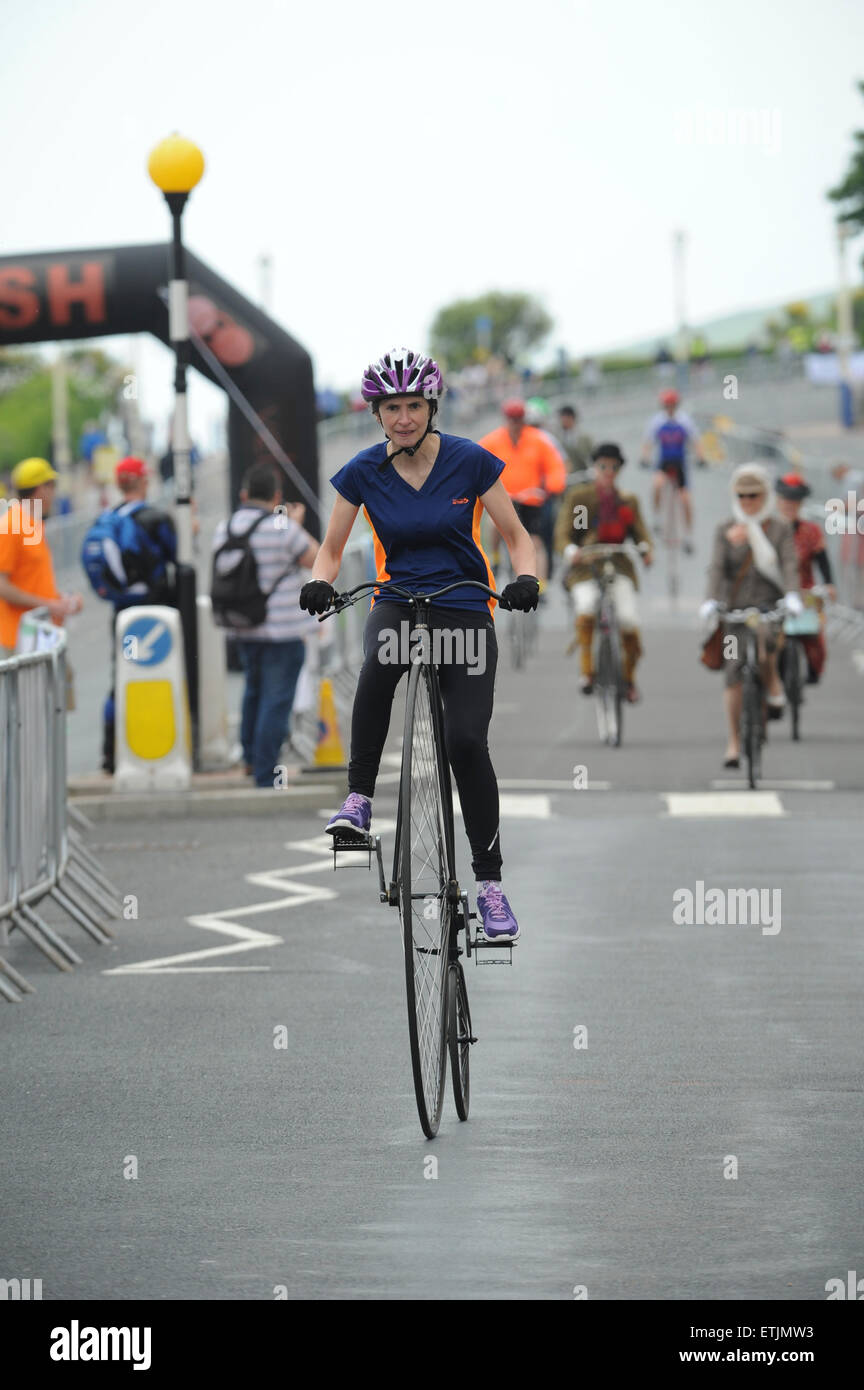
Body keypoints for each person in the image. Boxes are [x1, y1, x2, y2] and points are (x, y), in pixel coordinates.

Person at [299, 348, 539, 942]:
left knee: (464, 741)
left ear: (431, 406)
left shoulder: (471, 461)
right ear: (376, 413)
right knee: (378, 669)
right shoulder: (361, 471)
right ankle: (357, 802)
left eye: (413, 406)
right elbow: (331, 548)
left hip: (464, 604)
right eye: (391, 408)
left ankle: (490, 886)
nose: (403, 417)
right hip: (398, 599)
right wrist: (320, 581)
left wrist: (526, 577)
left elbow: (515, 536)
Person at [213, 463, 318, 787]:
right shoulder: (281, 527)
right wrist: (294, 523)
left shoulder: (226, 526)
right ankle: (266, 771)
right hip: (282, 631)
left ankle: (249, 759)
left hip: (244, 627)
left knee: (253, 693)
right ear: (276, 496)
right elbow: (316, 557)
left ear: (244, 494)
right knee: (277, 699)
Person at [700, 463, 802, 768]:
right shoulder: (726, 529)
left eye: (754, 495)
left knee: (765, 640)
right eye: (741, 496)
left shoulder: (779, 528)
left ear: (765, 495)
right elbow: (717, 568)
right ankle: (734, 741)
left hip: (769, 608)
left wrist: (793, 595)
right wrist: (710, 600)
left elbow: (789, 564)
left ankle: (772, 685)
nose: (747, 502)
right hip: (734, 613)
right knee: (733, 673)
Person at [86, 457, 178, 774]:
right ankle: (156, 744)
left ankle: (111, 752)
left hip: (122, 613)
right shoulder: (155, 518)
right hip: (154, 610)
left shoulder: (106, 518)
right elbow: (175, 556)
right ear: (142, 481)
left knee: (123, 675)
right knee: (160, 673)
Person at [554, 442, 653, 701]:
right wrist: (571, 551)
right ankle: (587, 672)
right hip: (586, 568)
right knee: (586, 606)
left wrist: (646, 550)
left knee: (629, 620)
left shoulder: (628, 500)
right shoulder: (581, 500)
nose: (608, 471)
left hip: (619, 566)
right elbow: (566, 534)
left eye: (613, 467)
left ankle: (629, 679)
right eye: (603, 466)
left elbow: (641, 534)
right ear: (594, 467)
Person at [0, 457, 83, 659]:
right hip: (23, 642)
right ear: (41, 489)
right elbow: (2, 585)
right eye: (52, 486)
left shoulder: (32, 523)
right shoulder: (11, 526)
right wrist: (50, 605)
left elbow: (31, 578)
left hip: (42, 636)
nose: (54, 494)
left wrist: (61, 600)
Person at [478, 398, 566, 587]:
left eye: (519, 419)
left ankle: (541, 584)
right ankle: (496, 558)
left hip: (531, 499)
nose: (515, 423)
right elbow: (474, 459)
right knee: (493, 524)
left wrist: (553, 485)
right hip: (503, 498)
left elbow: (554, 465)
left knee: (536, 542)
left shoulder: (537, 439)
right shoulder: (493, 440)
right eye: (512, 419)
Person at [774, 472, 836, 683]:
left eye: (794, 501)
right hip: (774, 591)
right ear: (777, 501)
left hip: (805, 590)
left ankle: (813, 668)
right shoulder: (768, 528)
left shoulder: (811, 531)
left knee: (815, 635)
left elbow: (822, 560)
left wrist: (829, 584)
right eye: (785, 500)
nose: (789, 505)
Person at [641, 388, 703, 551]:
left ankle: (688, 535)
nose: (669, 408)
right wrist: (645, 457)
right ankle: (657, 518)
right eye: (667, 405)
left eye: (672, 405)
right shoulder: (657, 421)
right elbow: (648, 442)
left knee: (685, 500)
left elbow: (696, 440)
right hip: (663, 462)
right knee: (657, 485)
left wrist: (700, 457)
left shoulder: (684, 420)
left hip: (680, 463)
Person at [554, 405, 593, 482]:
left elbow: (590, 456)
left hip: (583, 476)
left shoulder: (583, 438)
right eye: (562, 417)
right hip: (565, 477)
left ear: (572, 418)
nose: (563, 420)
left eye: (566, 417)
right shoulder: (556, 438)